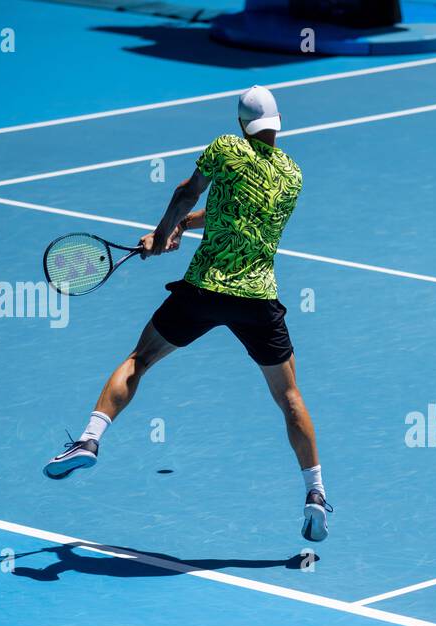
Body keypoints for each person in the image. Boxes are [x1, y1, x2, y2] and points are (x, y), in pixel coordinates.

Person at [42, 85, 331, 542]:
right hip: (258, 301)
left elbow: (186, 192)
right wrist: (181, 226)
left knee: (139, 360)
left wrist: (161, 233)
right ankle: (315, 494)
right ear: (277, 124)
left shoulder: (227, 148)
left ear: (243, 125)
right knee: (289, 397)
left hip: (202, 291)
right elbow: (234, 215)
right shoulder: (292, 176)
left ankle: (90, 439)